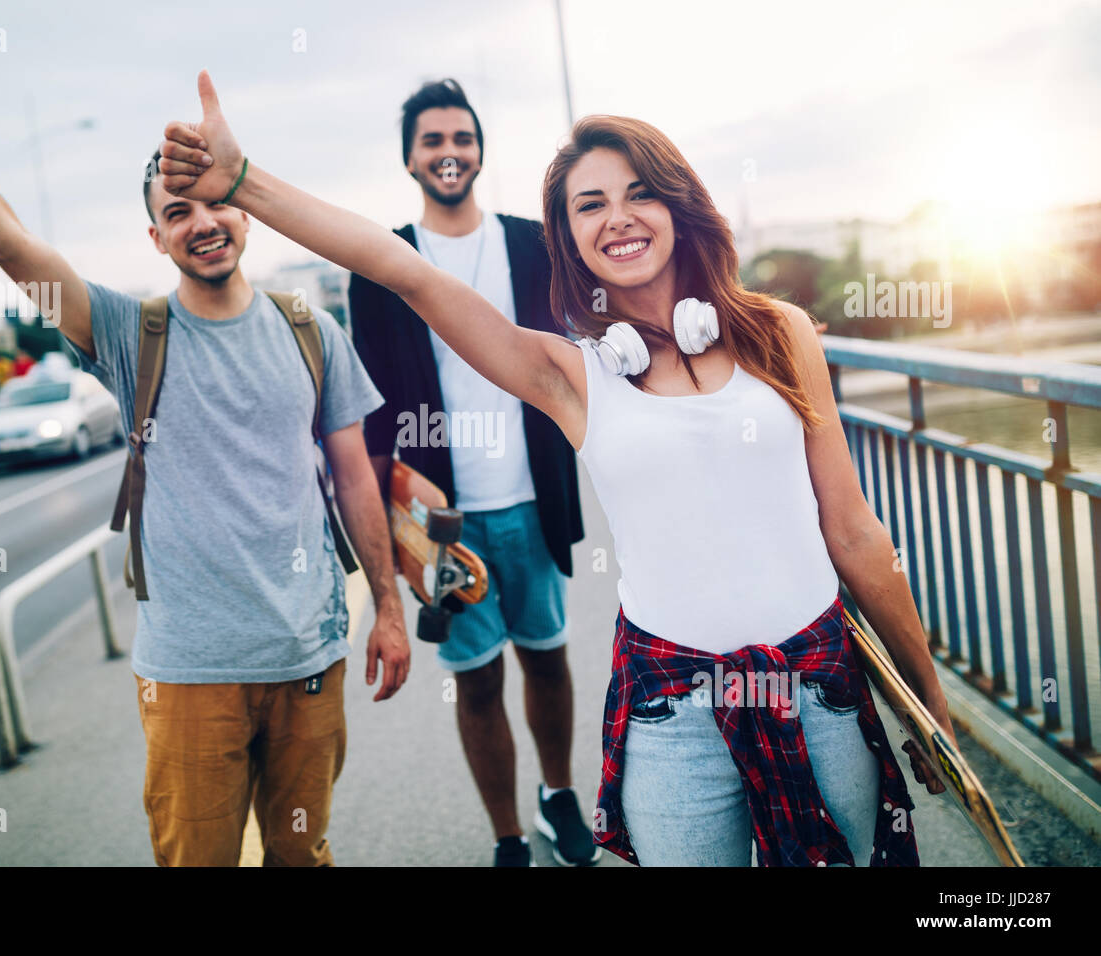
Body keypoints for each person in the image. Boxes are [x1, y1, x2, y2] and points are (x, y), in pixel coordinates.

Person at [156, 70, 961, 867]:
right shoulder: (573, 374)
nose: (619, 218)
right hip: (672, 709)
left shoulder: (781, 334)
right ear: (567, 236)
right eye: (590, 204)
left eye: (640, 192)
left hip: (818, 687)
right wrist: (246, 185)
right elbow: (401, 271)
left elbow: (855, 532)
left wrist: (933, 703)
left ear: (677, 203)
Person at [0, 0, 410, 868]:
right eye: (177, 212)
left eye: (212, 201)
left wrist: (387, 607)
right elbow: (6, 242)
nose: (201, 220)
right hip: (192, 674)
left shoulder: (311, 330)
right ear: (157, 238)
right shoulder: (131, 337)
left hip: (311, 658)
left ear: (242, 210)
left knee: (302, 860)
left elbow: (353, 477)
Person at [348, 79, 592, 867]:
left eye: (461, 138)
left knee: (548, 656)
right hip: (444, 518)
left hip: (532, 499)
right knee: (477, 682)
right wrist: (393, 507)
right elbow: (374, 406)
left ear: (479, 150)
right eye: (432, 141)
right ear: (409, 159)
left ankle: (558, 799)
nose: (449, 153)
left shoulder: (532, 244)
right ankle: (508, 838)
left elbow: (592, 341)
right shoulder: (385, 264)